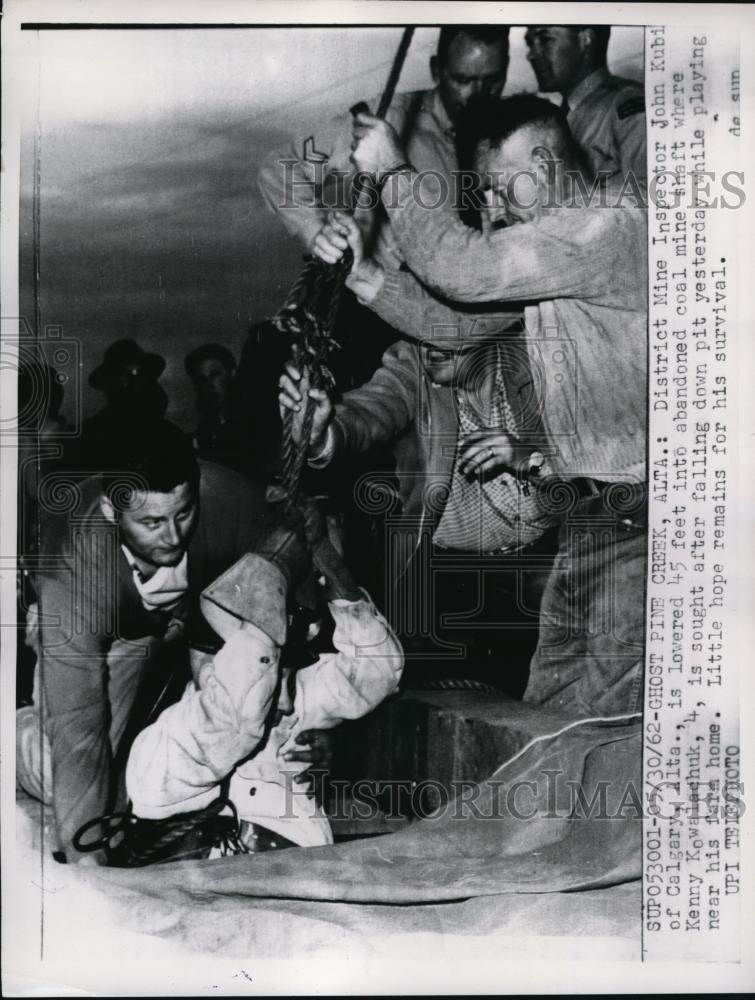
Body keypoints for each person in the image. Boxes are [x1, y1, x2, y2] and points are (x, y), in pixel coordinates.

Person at [308, 94, 647, 719]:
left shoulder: (601, 225)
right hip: (603, 521)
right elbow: (458, 323)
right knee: (556, 716)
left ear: (543, 166)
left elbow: (464, 271)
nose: (489, 209)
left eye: (496, 189)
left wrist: (389, 171)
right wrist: (364, 276)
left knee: (591, 726)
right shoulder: (559, 260)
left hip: (640, 522)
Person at [16, 420, 270, 863]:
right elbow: (81, 727)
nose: (173, 536)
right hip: (107, 629)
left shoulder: (232, 499)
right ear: (111, 512)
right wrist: (88, 866)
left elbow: (292, 575)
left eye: (184, 513)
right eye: (152, 522)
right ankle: (11, 737)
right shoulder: (68, 556)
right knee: (73, 777)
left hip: (185, 623)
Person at [279, 337, 559, 695]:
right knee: (411, 689)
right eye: (418, 327)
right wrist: (321, 434)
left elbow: (595, 472)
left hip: (542, 563)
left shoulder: (541, 358)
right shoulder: (411, 366)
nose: (431, 343)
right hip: (448, 577)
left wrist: (529, 457)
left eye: (446, 327)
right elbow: (368, 412)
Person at [124, 508, 404, 855]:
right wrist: (275, 564)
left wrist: (325, 558)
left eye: (283, 665)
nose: (284, 703)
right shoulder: (163, 749)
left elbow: (378, 667)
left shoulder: (294, 695)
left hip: (309, 881)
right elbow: (236, 711)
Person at [258, 25, 511, 262]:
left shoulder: (514, 130)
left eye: (492, 81)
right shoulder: (386, 120)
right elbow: (280, 167)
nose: (478, 95)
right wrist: (315, 232)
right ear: (437, 70)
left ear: (507, 69)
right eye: (463, 80)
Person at [524, 24, 646, 182]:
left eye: (545, 40)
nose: (532, 54)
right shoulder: (556, 117)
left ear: (586, 39)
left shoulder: (626, 105)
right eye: (530, 43)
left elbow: (647, 193)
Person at [73, 339, 169, 472]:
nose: (128, 381)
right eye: (120, 375)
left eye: (134, 373)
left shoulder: (152, 398)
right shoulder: (108, 416)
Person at [184, 342, 244, 471]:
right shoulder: (208, 425)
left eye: (215, 375)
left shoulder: (252, 421)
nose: (208, 385)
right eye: (201, 379)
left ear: (233, 374)